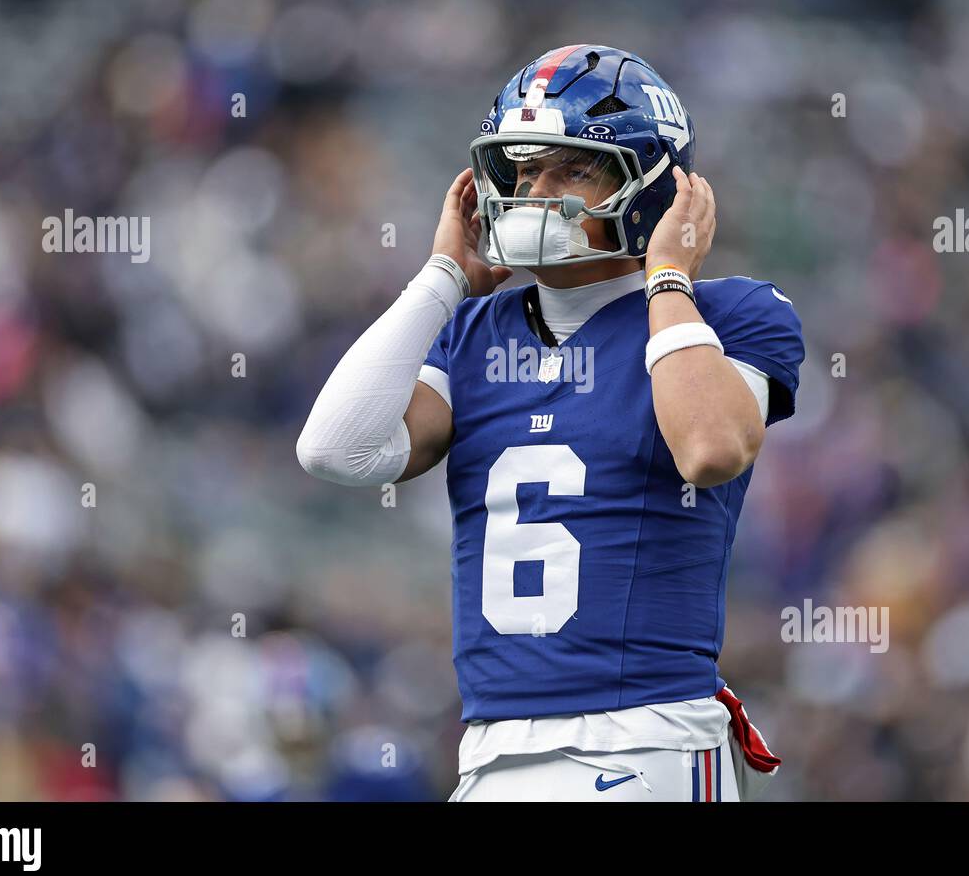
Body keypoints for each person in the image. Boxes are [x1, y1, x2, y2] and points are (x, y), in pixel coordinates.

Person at [298, 44, 804, 801]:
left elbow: (710, 448)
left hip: (645, 740)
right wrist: (442, 280)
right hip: (493, 751)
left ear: (650, 187)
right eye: (527, 170)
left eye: (572, 169)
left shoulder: (729, 313)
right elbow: (333, 449)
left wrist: (668, 278)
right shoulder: (474, 333)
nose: (537, 191)